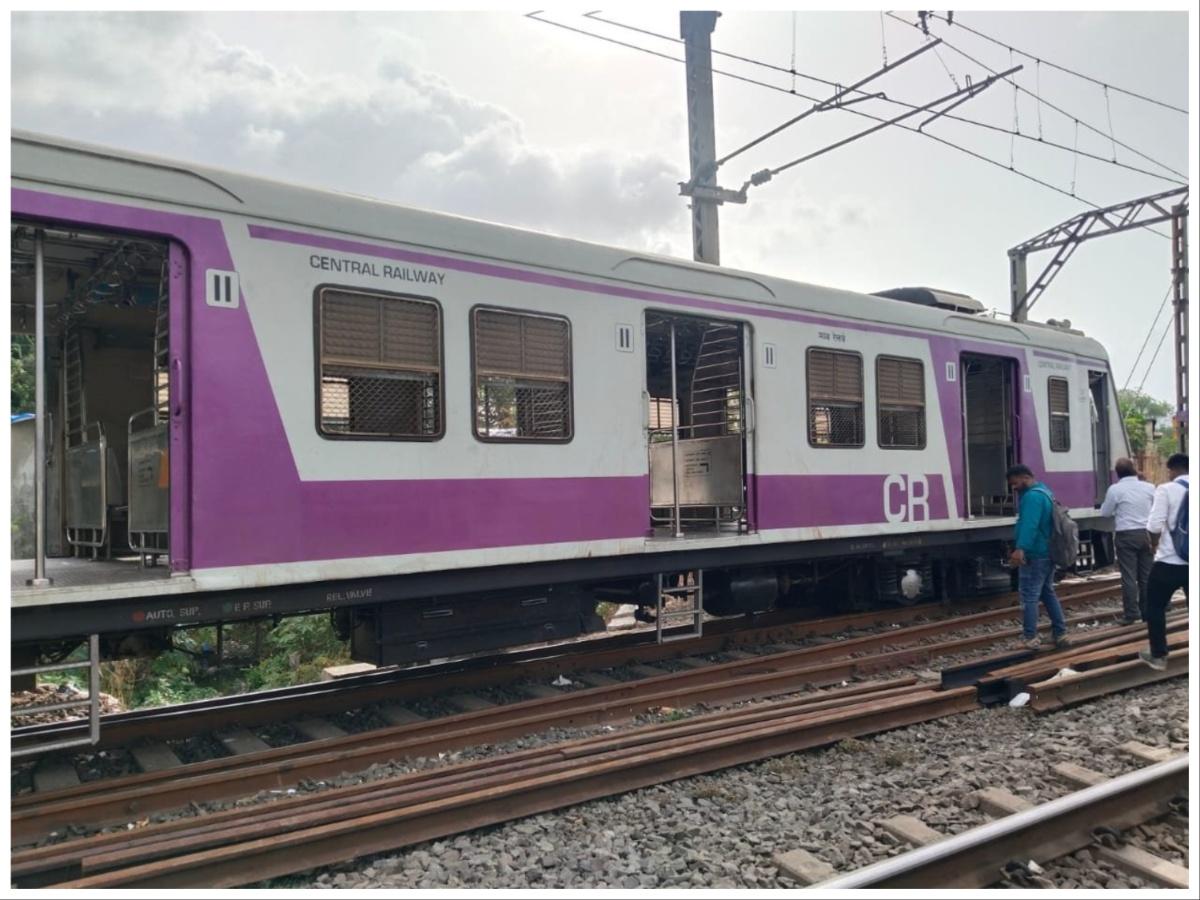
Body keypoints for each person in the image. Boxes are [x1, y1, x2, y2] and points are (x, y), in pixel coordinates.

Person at [1006, 464, 1071, 651]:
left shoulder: (1032, 497)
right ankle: (1060, 633)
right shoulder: (1045, 492)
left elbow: (1030, 525)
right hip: (1047, 552)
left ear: (1025, 477)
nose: (1014, 487)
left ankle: (1030, 637)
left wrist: (1020, 549)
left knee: (1029, 596)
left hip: (1036, 553)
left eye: (1015, 483)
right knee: (1047, 592)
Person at [1140, 453, 1189, 671]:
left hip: (1168, 562)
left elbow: (1154, 525)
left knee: (1156, 607)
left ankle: (1159, 655)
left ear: (1172, 469)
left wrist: (1153, 545)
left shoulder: (1166, 489)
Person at [1099, 457, 1157, 624]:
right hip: (1147, 534)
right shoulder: (1149, 487)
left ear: (1117, 474)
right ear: (1135, 469)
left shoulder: (1115, 490)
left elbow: (1105, 513)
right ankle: (1148, 613)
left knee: (1129, 576)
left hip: (1126, 536)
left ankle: (1132, 614)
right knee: (1146, 576)